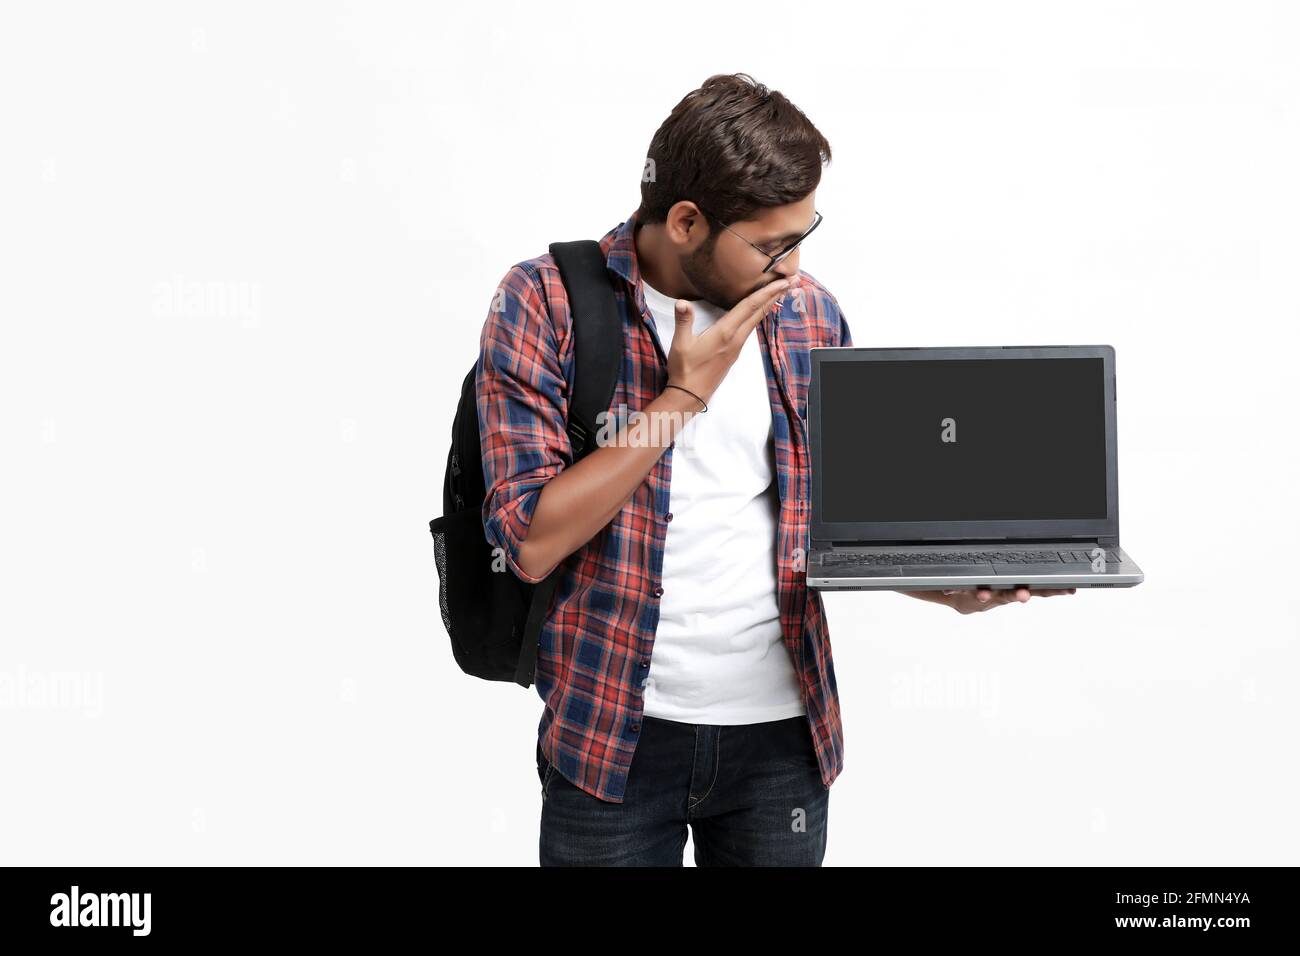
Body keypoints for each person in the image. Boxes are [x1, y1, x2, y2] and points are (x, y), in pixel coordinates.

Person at [475, 73, 1075, 866]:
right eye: (771, 245)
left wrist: (948, 582)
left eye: (803, 236)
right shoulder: (545, 301)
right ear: (686, 220)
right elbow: (529, 540)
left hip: (781, 745)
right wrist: (683, 395)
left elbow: (843, 518)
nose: (793, 268)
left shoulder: (809, 313)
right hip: (610, 734)